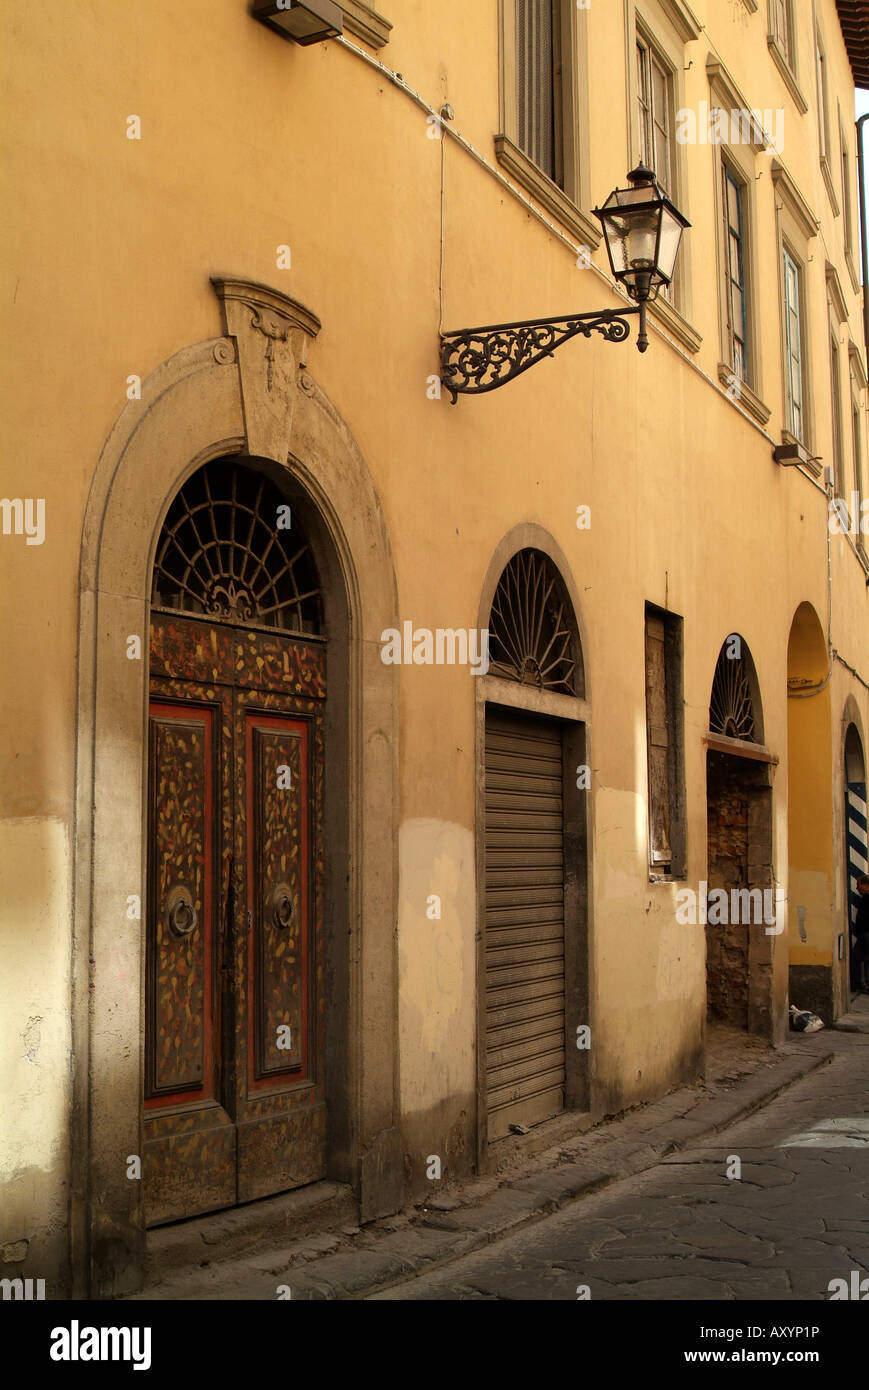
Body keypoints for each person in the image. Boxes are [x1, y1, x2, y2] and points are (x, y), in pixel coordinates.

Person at [855, 875, 869, 994]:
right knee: (857, 957)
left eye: (859, 885)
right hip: (863, 933)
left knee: (863, 958)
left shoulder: (867, 898)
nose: (857, 888)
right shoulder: (865, 898)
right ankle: (859, 983)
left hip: (866, 933)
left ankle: (862, 984)